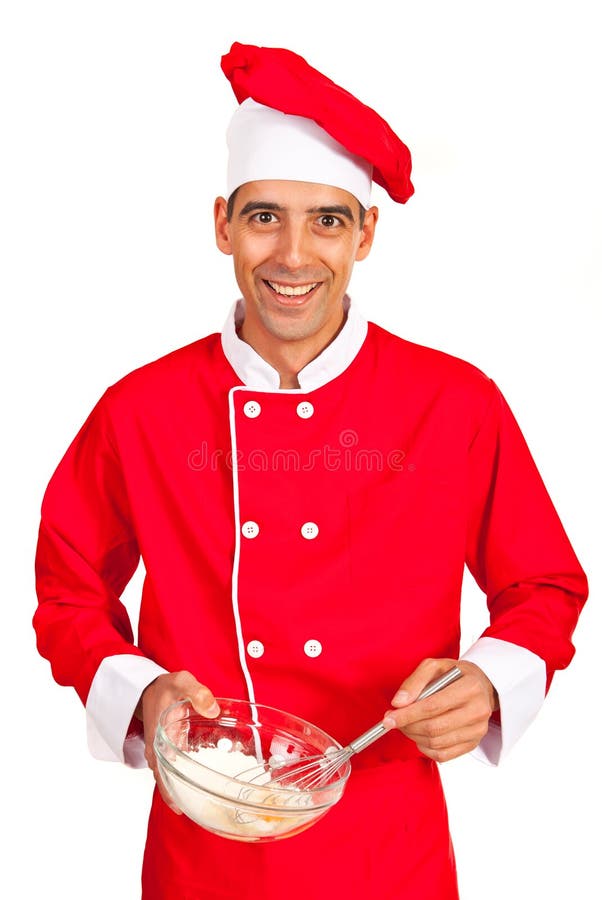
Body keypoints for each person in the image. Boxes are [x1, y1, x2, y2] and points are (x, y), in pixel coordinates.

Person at [33, 42, 588, 900]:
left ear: (366, 233)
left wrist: (493, 677)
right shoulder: (139, 410)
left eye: (327, 219)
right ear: (222, 223)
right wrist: (138, 693)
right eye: (265, 218)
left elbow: (546, 585)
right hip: (201, 850)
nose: (293, 254)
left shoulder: (456, 403)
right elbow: (69, 592)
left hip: (389, 843)